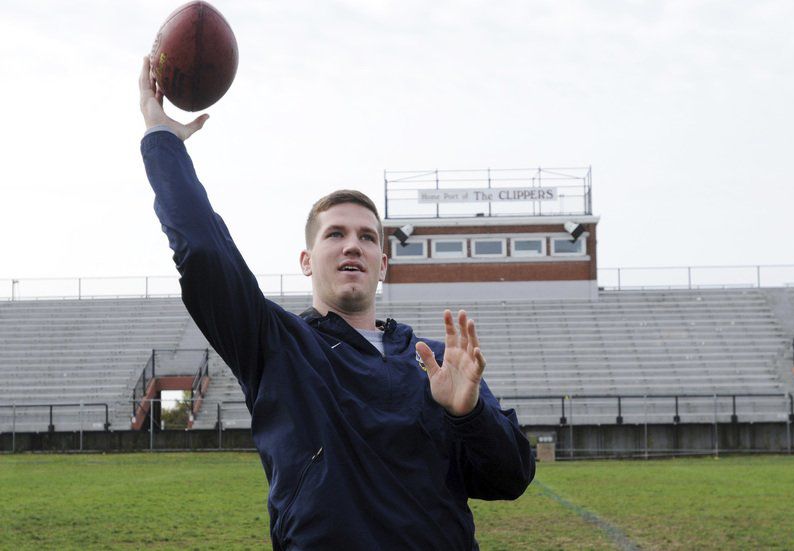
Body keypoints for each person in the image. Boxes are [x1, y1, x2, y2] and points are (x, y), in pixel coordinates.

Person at [138, 56, 534, 550]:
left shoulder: (435, 361)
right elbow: (203, 251)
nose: (353, 245)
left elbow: (510, 479)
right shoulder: (276, 346)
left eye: (368, 237)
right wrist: (163, 141)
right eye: (336, 234)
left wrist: (468, 413)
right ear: (307, 260)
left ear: (382, 263)